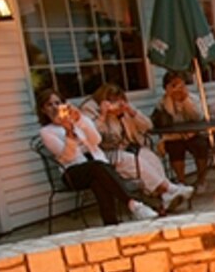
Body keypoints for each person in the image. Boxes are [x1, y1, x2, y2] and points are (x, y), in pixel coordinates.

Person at [36, 89, 158, 225]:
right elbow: (68, 156)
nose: (55, 107)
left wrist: (79, 121)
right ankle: (133, 204)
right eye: (49, 105)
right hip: (72, 172)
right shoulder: (46, 132)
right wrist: (69, 132)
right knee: (98, 168)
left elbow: (96, 140)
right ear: (43, 110)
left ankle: (111, 224)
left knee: (98, 179)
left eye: (57, 103)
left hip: (96, 167)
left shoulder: (78, 120)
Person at [81, 83, 193, 213]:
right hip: (106, 155)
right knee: (132, 161)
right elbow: (95, 136)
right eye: (112, 100)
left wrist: (132, 112)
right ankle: (169, 189)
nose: (117, 104)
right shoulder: (93, 112)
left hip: (129, 148)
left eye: (119, 99)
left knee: (149, 157)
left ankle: (165, 195)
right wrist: (104, 115)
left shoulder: (124, 109)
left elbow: (148, 126)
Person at [151, 71, 210, 187]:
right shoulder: (162, 102)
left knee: (201, 145)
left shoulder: (193, 98)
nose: (177, 88)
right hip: (174, 136)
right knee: (174, 148)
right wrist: (169, 97)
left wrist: (185, 99)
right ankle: (181, 181)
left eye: (180, 85)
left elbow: (198, 116)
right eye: (174, 85)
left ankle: (201, 179)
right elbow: (166, 121)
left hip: (192, 134)